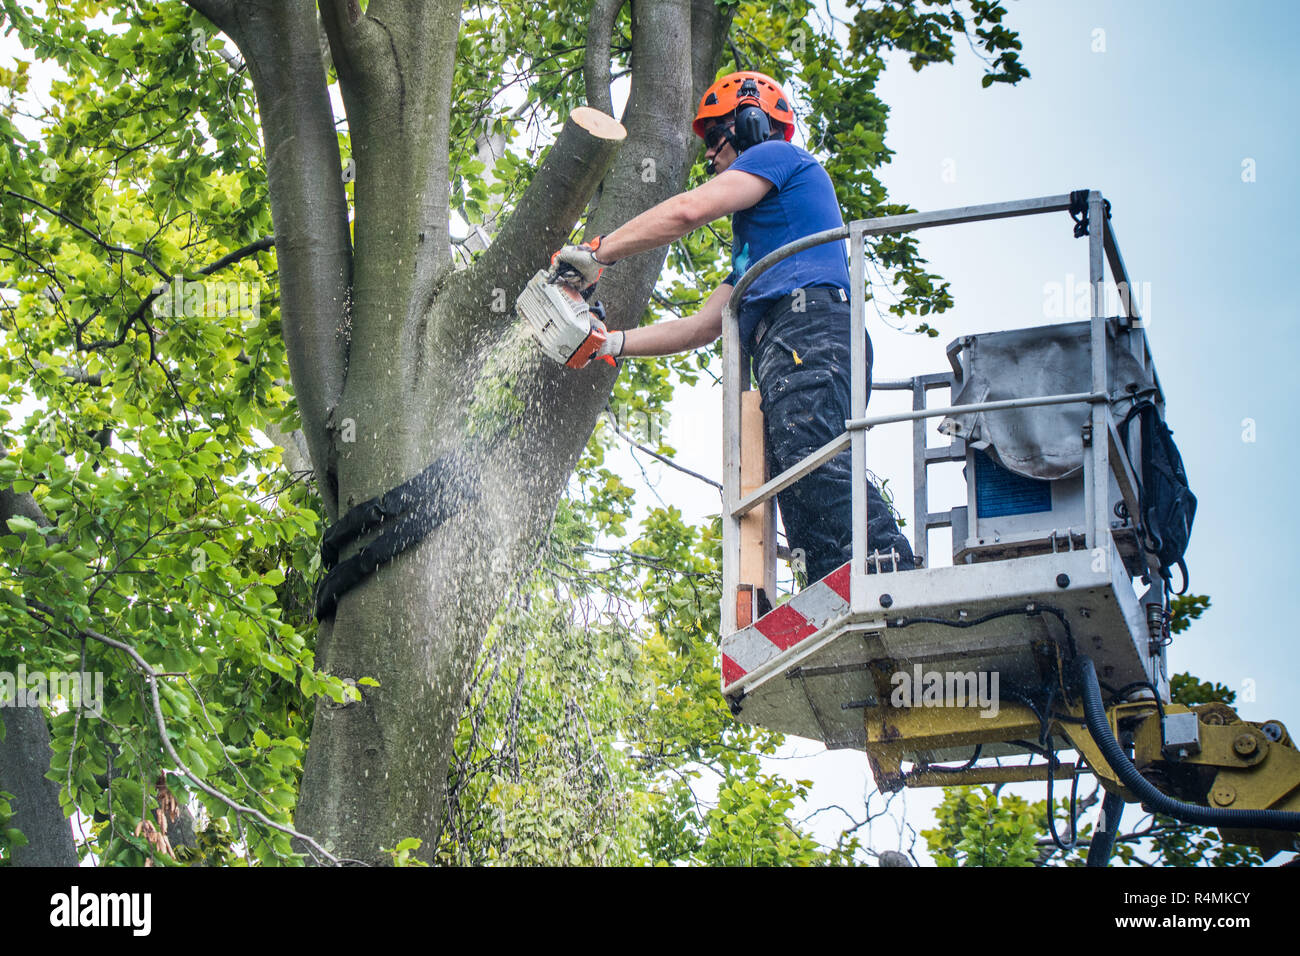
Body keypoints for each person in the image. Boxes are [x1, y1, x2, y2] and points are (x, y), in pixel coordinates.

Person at [552, 70, 915, 583]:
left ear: (749, 122)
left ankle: (888, 574)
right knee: (797, 470)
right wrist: (609, 342)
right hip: (790, 338)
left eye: (715, 137)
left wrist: (597, 252)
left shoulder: (778, 157)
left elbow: (686, 211)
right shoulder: (756, 260)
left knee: (811, 450)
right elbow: (702, 327)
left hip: (809, 326)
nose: (708, 155)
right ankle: (835, 588)